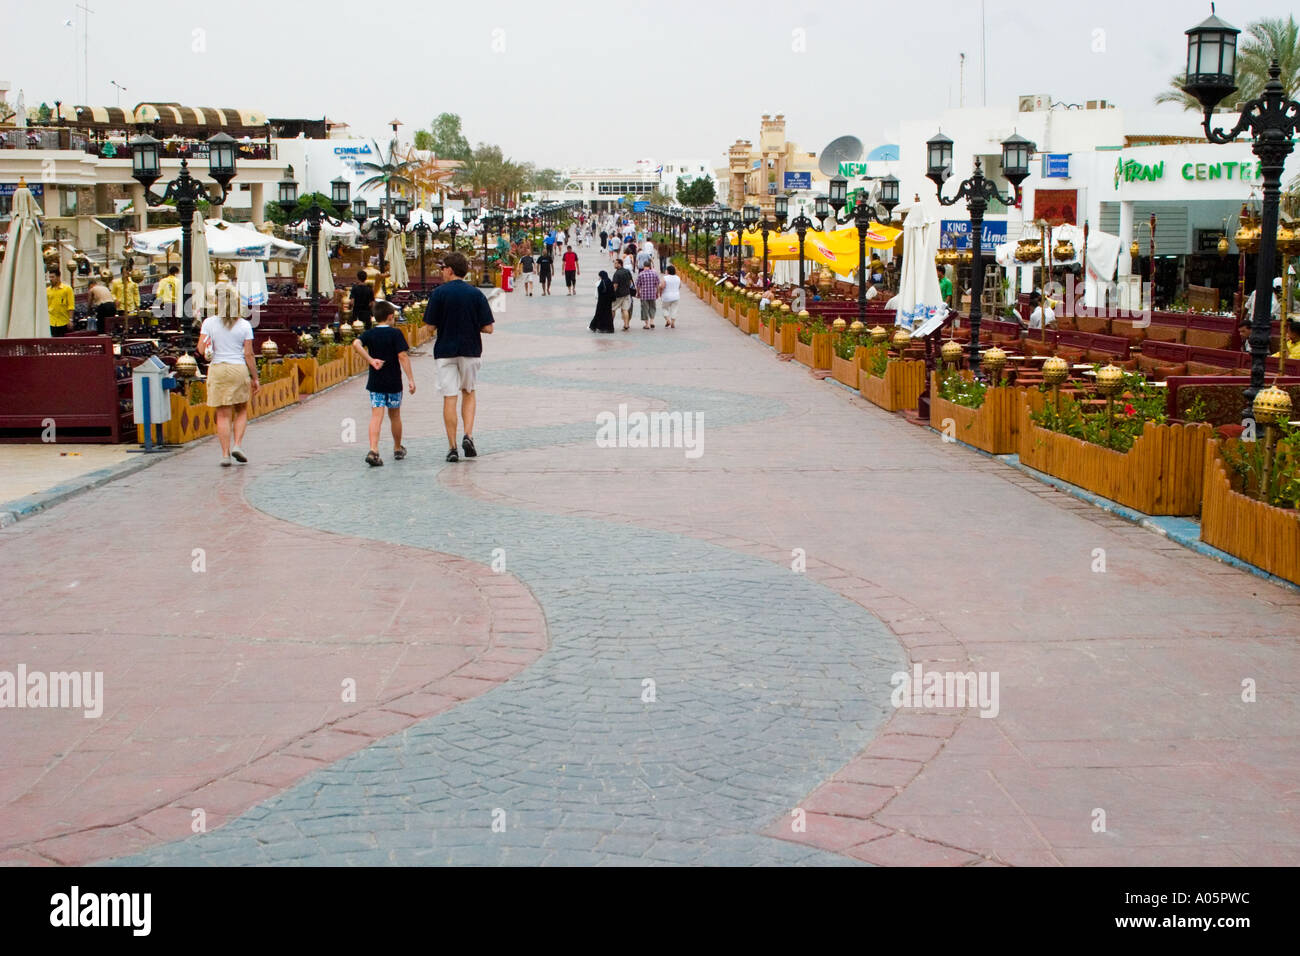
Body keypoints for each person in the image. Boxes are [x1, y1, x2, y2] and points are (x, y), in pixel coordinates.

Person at [422, 251, 495, 463]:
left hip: (445, 351)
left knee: (449, 397)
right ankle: (468, 435)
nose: (441, 271)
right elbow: (488, 328)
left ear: (450, 269)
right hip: (470, 350)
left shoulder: (439, 293)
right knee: (469, 392)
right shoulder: (476, 294)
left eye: (443, 268)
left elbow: (429, 327)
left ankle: (452, 447)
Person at [197, 282, 260, 467]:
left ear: (217, 302)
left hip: (217, 368)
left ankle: (224, 454)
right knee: (241, 410)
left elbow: (201, 349)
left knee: (222, 414)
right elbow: (248, 354)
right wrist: (255, 377)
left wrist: (208, 345)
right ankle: (237, 445)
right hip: (238, 368)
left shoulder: (209, 323)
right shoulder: (244, 325)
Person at [353, 300, 415, 466]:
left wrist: (371, 360)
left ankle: (373, 450)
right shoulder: (396, 334)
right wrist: (410, 379)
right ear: (390, 317)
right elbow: (402, 356)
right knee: (395, 415)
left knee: (376, 416)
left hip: (375, 381)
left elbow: (356, 343)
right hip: (393, 381)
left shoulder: (370, 334)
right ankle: (397, 448)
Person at [635, 259, 663, 329]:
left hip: (644, 294)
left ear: (644, 266)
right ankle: (652, 322)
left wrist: (638, 293)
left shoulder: (641, 274)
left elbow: (638, 285)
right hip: (652, 293)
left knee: (644, 308)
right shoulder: (654, 273)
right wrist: (657, 293)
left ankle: (647, 324)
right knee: (652, 307)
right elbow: (657, 284)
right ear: (650, 266)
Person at [47, 269, 74, 337]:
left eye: (53, 277)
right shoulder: (47, 290)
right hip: (51, 321)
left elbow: (71, 305)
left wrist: (70, 319)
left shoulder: (67, 289)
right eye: (50, 277)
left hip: (63, 321)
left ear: (58, 277)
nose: (50, 279)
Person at [611, 258, 634, 331]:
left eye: (615, 263)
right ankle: (626, 324)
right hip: (627, 293)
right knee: (625, 309)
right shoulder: (627, 271)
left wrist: (612, 293)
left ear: (619, 264)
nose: (614, 264)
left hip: (618, 294)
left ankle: (610, 324)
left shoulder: (617, 273)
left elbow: (615, 285)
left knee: (612, 309)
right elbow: (630, 282)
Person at [661, 264, 681, 329]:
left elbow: (662, 286)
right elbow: (680, 286)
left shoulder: (665, 278)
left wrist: (659, 291)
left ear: (668, 271)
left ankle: (667, 320)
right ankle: (673, 322)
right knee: (674, 309)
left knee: (664, 308)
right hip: (676, 296)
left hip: (666, 296)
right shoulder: (678, 277)